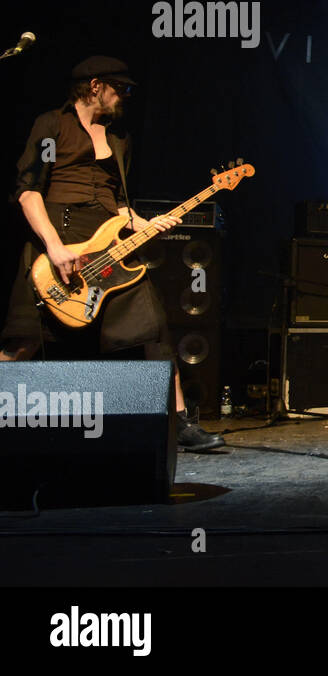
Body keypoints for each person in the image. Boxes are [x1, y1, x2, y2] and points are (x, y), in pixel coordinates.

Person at [1, 56, 224, 451]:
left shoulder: (118, 136)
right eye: (119, 87)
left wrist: (142, 223)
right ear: (94, 86)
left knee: (155, 332)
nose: (125, 95)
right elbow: (29, 190)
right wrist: (53, 246)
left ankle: (180, 424)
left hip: (108, 246)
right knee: (23, 340)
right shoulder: (52, 124)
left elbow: (119, 201)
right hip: (58, 241)